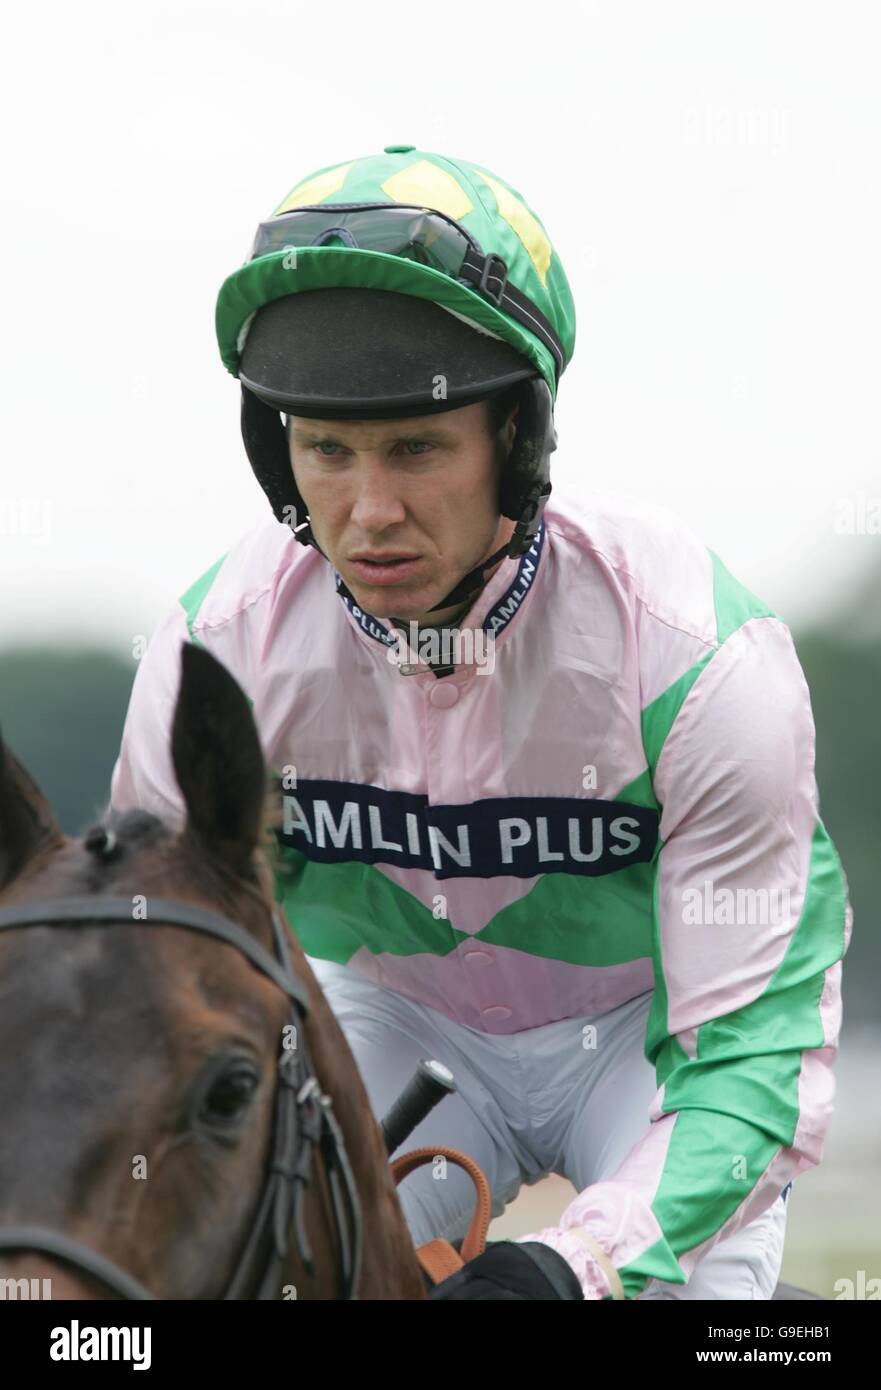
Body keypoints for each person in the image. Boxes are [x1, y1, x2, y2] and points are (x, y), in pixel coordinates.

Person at [109, 144, 851, 1300]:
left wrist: (570, 1270)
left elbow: (753, 1056)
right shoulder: (219, 653)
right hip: (391, 1019)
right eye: (326, 450)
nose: (370, 510)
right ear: (277, 453)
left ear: (517, 440)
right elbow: (163, 994)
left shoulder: (700, 655)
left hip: (649, 1049)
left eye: (414, 446)